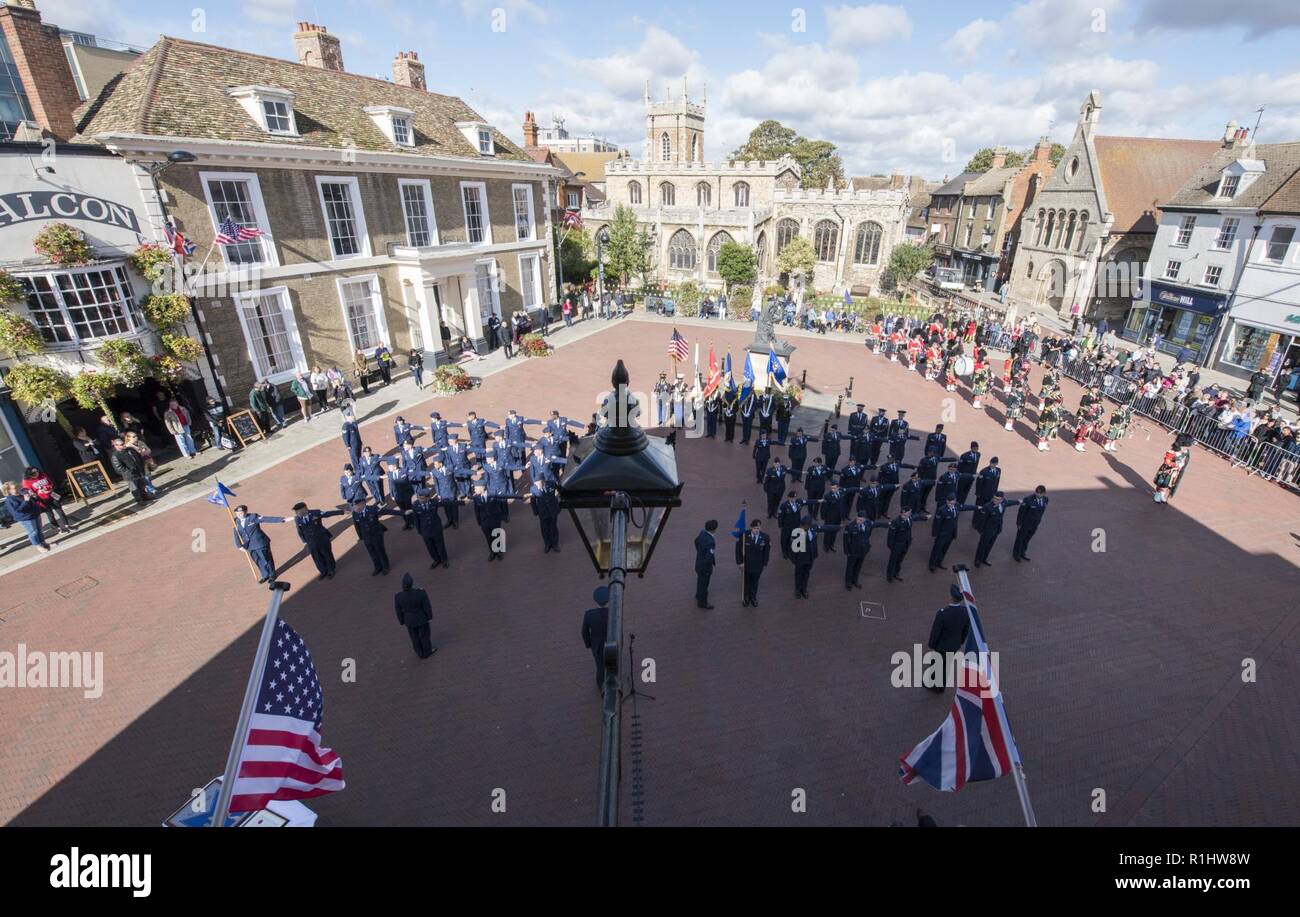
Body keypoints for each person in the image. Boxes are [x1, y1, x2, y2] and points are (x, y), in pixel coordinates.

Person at [926, 586, 971, 693]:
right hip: (954, 645)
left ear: (951, 598)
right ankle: (941, 687)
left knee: (936, 665)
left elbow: (936, 632)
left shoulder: (943, 613)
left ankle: (933, 685)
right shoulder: (965, 612)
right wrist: (960, 642)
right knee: (946, 666)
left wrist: (932, 645)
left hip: (941, 646)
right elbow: (965, 630)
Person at [232, 504, 286, 583]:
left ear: (246, 512)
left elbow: (266, 519)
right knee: (257, 560)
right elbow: (236, 533)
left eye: (241, 512)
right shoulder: (235, 521)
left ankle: (272, 575)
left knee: (266, 559)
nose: (239, 515)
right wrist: (239, 546)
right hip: (250, 546)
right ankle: (265, 575)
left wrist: (282, 519)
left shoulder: (253, 517)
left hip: (260, 543)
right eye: (237, 513)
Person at [292, 502, 344, 579]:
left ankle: (331, 570)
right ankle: (323, 571)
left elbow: (327, 514)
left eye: (298, 511)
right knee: (317, 557)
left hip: (322, 538)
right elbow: (299, 530)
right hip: (311, 541)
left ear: (304, 509)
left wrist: (341, 512)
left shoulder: (315, 513)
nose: (297, 513)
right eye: (296, 512)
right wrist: (304, 541)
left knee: (327, 554)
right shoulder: (297, 519)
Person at [351, 498, 401, 575]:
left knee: (380, 551)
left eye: (356, 505)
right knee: (372, 552)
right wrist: (361, 537)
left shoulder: (372, 509)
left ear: (362, 504)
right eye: (354, 506)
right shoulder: (355, 513)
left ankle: (385, 567)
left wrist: (403, 512)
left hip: (376, 534)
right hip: (366, 536)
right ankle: (378, 567)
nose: (354, 508)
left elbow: (387, 511)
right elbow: (357, 526)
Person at [973, 492, 1021, 567]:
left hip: (997, 529)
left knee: (990, 545)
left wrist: (1018, 501)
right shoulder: (987, 506)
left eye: (998, 499)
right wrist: (981, 531)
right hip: (987, 530)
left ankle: (984, 559)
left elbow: (1009, 503)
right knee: (982, 546)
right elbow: (981, 519)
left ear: (1002, 499)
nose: (995, 500)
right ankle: (978, 560)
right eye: (994, 498)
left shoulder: (1003, 503)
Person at [3, 482, 53, 554]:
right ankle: (38, 545)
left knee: (39, 530)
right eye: (14, 488)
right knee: (33, 532)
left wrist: (34, 496)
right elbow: (18, 511)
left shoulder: (22, 494)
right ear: (8, 491)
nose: (18, 489)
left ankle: (43, 543)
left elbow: (34, 501)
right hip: (26, 518)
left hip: (35, 514)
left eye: (17, 487)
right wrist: (26, 501)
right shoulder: (10, 500)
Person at [395, 573, 436, 659]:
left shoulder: (398, 596)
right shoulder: (420, 593)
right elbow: (427, 606)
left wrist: (401, 621)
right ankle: (427, 652)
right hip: (421, 618)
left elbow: (398, 611)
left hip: (409, 620)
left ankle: (419, 652)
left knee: (414, 637)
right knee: (424, 636)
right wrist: (429, 617)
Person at [21, 466, 72, 535]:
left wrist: (49, 488)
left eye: (37, 472)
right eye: (33, 474)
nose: (36, 474)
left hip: (52, 495)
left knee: (60, 510)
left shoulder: (43, 475)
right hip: (42, 499)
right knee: (50, 514)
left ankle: (67, 525)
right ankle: (57, 528)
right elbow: (28, 492)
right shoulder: (26, 481)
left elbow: (51, 483)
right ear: (29, 475)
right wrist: (38, 493)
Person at [885, 506, 928, 583]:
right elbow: (890, 536)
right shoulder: (896, 522)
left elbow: (916, 517)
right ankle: (890, 576)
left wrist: (925, 518)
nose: (904, 516)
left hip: (906, 543)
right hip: (897, 545)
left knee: (900, 560)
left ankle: (896, 573)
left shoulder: (910, 518)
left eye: (906, 514)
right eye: (903, 515)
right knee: (893, 561)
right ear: (901, 513)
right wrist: (891, 546)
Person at [409, 488, 450, 568]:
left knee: (440, 546)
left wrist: (462, 502)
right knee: (430, 547)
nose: (420, 500)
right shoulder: (415, 506)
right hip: (425, 531)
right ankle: (436, 560)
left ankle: (444, 560)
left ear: (428, 497)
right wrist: (419, 531)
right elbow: (416, 519)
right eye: (419, 498)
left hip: (436, 529)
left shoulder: (434, 502)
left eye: (423, 498)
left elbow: (448, 503)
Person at [736, 518, 771, 608]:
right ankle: (746, 597)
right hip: (746, 564)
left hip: (758, 565)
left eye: (758, 528)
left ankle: (753, 597)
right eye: (755, 528)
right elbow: (738, 550)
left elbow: (766, 551)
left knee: (755, 582)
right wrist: (740, 562)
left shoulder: (765, 537)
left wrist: (764, 563)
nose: (757, 530)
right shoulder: (744, 536)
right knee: (746, 582)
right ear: (751, 528)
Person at [582, 586, 611, 691]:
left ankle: (601, 686)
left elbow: (584, 632)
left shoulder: (589, 615)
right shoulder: (612, 613)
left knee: (600, 666)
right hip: (611, 642)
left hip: (597, 645)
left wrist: (589, 644)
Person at [109, 436, 150, 505]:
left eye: (123, 443)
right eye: (121, 445)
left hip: (138, 470)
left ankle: (145, 496)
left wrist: (141, 465)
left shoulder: (130, 449)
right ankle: (139, 500)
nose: (124, 445)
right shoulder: (115, 456)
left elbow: (138, 456)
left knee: (141, 485)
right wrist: (129, 471)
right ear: (116, 446)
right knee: (134, 488)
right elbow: (118, 468)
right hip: (129, 474)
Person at [1013, 485, 1049, 562]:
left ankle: (1022, 553)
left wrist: (1038, 521)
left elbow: (1041, 511)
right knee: (1020, 539)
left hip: (1035, 524)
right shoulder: (1028, 499)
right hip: (1025, 524)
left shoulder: (1046, 500)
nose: (1038, 494)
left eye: (1040, 493)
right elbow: (1021, 512)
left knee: (1027, 539)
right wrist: (1019, 523)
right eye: (1037, 492)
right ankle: (1016, 554)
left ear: (1044, 493)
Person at [527, 477, 561, 554]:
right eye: (536, 483)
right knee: (544, 528)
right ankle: (547, 544)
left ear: (543, 481)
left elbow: (560, 489)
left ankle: (555, 544)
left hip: (552, 510)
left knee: (553, 527)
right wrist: (535, 511)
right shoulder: (533, 489)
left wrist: (558, 501)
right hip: (542, 512)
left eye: (538, 483)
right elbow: (533, 501)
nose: (537, 485)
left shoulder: (551, 484)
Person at [789, 517, 819, 599]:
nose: (802, 527)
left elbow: (825, 528)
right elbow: (793, 548)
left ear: (808, 526)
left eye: (804, 526)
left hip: (810, 558)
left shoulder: (813, 529)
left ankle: (804, 589)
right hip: (800, 558)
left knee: (806, 574)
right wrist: (793, 559)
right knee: (798, 575)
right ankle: (798, 590)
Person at [694, 519, 718, 609]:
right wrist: (708, 567)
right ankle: (702, 603)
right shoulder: (711, 542)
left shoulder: (702, 532)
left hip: (698, 563)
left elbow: (695, 541)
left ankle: (698, 595)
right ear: (714, 529)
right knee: (704, 585)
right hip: (705, 568)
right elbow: (709, 558)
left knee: (700, 581)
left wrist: (700, 552)